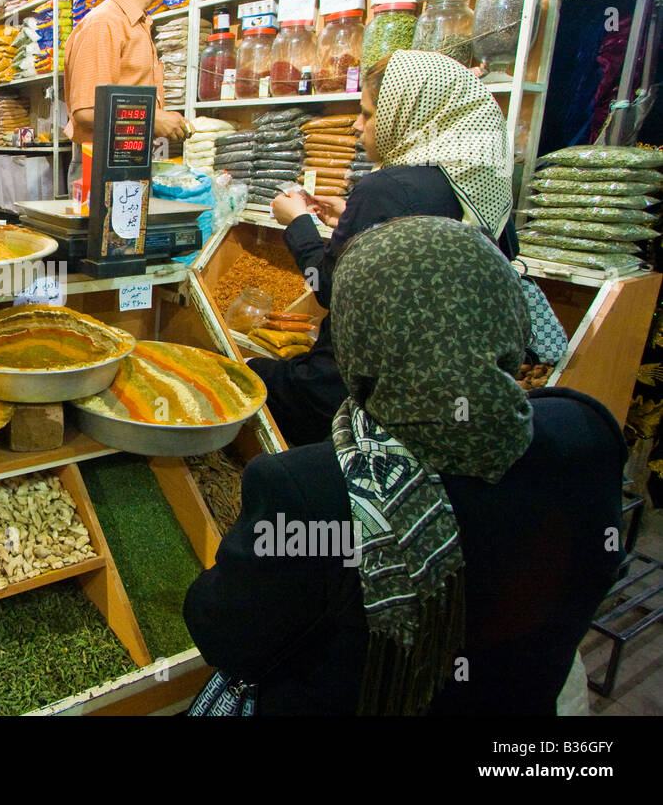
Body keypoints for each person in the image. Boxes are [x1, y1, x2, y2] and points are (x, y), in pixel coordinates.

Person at [184, 216, 624, 715]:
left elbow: (225, 637)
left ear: (355, 343)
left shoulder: (313, 490)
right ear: (510, 320)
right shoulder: (585, 432)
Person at [251, 49, 515, 446]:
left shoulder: (387, 187)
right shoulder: (483, 190)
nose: (358, 127)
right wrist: (351, 216)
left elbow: (330, 289)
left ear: (405, 116)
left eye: (368, 114)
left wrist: (298, 223)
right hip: (434, 395)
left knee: (251, 372)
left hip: (353, 394)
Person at [63, 0, 190, 146]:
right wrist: (152, 119)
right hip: (100, 166)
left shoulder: (138, 23)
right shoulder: (104, 23)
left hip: (126, 161)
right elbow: (86, 110)